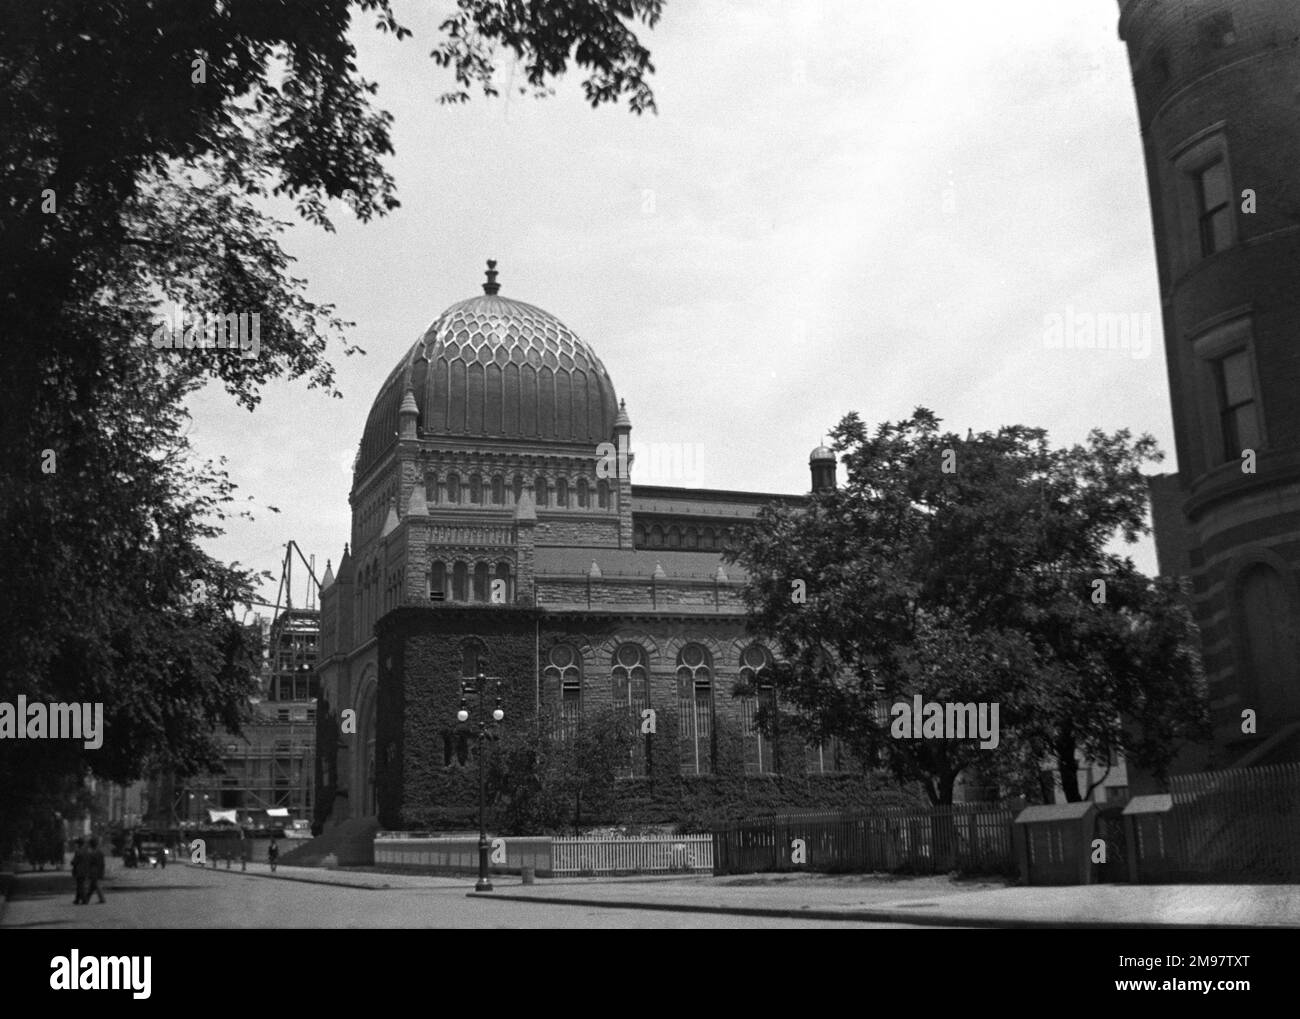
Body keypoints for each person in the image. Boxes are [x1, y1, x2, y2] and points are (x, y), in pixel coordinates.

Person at [86, 836, 106, 904]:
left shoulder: (91, 853)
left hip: (93, 871)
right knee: (93, 885)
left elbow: (89, 863)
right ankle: (87, 899)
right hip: (99, 870)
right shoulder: (100, 852)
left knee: (96, 885)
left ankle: (101, 899)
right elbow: (102, 863)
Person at [71, 837, 89, 904]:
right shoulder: (86, 851)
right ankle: (77, 899)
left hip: (79, 870)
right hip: (85, 870)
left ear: (78, 844)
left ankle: (84, 900)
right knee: (80, 885)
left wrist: (72, 862)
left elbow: (75, 861)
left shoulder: (78, 851)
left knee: (80, 886)